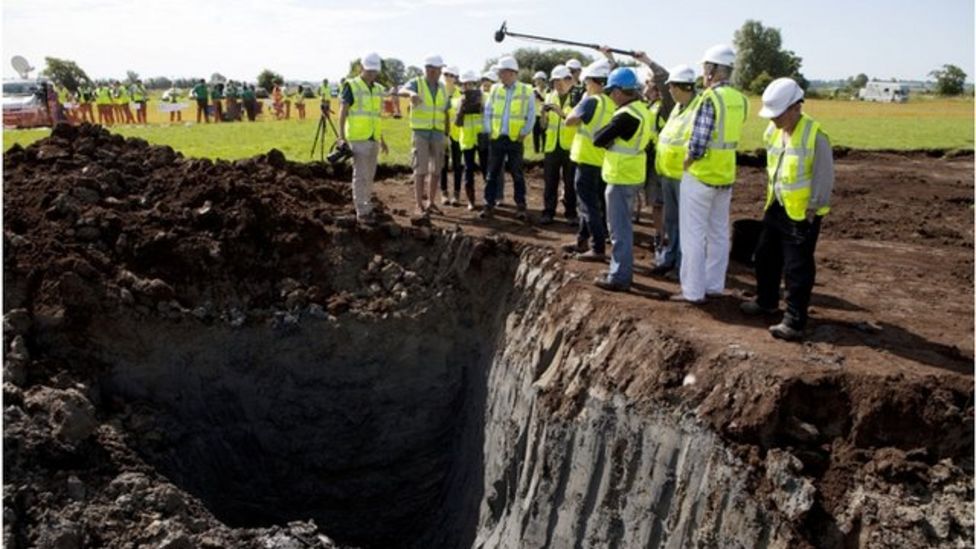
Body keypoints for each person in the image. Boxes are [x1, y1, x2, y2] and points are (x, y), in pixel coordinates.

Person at [740, 78, 834, 341]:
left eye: (778, 114)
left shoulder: (815, 135)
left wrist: (813, 209)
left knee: (797, 268)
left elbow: (824, 176)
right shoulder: (773, 132)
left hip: (803, 214)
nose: (773, 120)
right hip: (777, 206)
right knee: (764, 257)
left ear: (796, 107)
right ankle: (766, 301)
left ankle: (794, 321)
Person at [672, 44, 748, 304]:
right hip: (725, 176)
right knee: (718, 233)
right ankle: (714, 285)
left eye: (706, 67)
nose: (703, 72)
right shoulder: (740, 99)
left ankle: (692, 292)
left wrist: (686, 161)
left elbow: (699, 141)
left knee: (693, 235)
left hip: (701, 174)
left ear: (714, 69)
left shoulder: (709, 98)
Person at [591, 67, 654, 292]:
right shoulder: (642, 110)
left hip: (620, 176)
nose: (609, 96)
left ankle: (619, 276)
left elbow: (598, 139)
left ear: (618, 91)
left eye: (610, 91)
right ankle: (620, 271)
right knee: (623, 227)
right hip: (633, 173)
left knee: (619, 230)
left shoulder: (626, 115)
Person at [649, 65, 699, 279]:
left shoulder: (696, 108)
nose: (668, 90)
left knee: (684, 224)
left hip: (684, 175)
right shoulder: (678, 108)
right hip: (668, 173)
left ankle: (681, 266)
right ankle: (669, 259)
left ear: (682, 87)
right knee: (671, 221)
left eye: (672, 87)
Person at [561, 60, 613, 261]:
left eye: (587, 82)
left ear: (593, 82)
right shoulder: (610, 103)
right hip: (601, 160)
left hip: (586, 158)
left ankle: (597, 247)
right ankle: (582, 240)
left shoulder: (591, 101)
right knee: (591, 202)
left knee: (588, 205)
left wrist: (580, 103)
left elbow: (569, 121)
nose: (585, 86)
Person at [480, 55, 536, 220]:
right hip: (497, 138)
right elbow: (488, 111)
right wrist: (489, 130)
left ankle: (521, 206)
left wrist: (524, 132)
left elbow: (531, 114)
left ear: (512, 73)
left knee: (517, 174)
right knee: (492, 174)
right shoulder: (496, 89)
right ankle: (488, 205)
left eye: (502, 72)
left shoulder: (526, 90)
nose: (499, 76)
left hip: (515, 139)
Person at [337, 52, 389, 225]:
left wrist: (382, 140)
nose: (372, 74)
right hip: (358, 138)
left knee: (370, 174)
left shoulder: (378, 89)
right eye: (370, 71)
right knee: (360, 175)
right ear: (362, 68)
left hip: (373, 138)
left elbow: (375, 116)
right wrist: (341, 137)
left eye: (375, 71)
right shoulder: (351, 85)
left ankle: (367, 204)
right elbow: (343, 112)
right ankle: (362, 210)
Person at [401, 54, 450, 216]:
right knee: (420, 169)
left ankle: (431, 202)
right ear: (429, 69)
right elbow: (402, 90)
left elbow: (446, 110)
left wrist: (446, 134)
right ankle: (418, 204)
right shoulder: (417, 83)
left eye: (440, 69)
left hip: (437, 132)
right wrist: (411, 94)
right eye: (437, 69)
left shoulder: (442, 87)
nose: (440, 72)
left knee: (436, 170)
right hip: (420, 132)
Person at [539, 64, 577, 225]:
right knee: (550, 182)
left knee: (570, 183)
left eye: (560, 81)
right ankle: (548, 212)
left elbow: (576, 121)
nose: (557, 85)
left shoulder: (577, 98)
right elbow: (543, 126)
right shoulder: (549, 97)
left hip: (570, 147)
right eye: (554, 82)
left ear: (569, 80)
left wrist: (560, 113)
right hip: (551, 146)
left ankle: (571, 213)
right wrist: (542, 114)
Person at [456, 70, 484, 210]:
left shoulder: (482, 97)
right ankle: (471, 201)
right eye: (464, 84)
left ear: (474, 84)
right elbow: (458, 122)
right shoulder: (459, 99)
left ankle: (488, 199)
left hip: (481, 137)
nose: (467, 87)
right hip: (466, 140)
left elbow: (486, 114)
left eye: (470, 84)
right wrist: (462, 107)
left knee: (486, 169)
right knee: (468, 170)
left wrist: (480, 105)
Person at [440, 66, 464, 206]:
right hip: (441, 135)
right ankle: (444, 192)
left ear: (456, 78)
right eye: (446, 74)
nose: (448, 77)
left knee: (457, 165)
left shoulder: (460, 95)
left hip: (456, 136)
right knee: (442, 165)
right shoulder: (438, 92)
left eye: (451, 75)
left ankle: (456, 193)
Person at [531, 71, 548, 154]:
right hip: (535, 115)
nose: (536, 82)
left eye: (538, 80)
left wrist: (540, 98)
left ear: (543, 80)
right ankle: (536, 150)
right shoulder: (533, 91)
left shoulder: (548, 91)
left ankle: (545, 150)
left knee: (544, 134)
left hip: (544, 116)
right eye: (535, 80)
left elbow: (548, 101)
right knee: (535, 134)